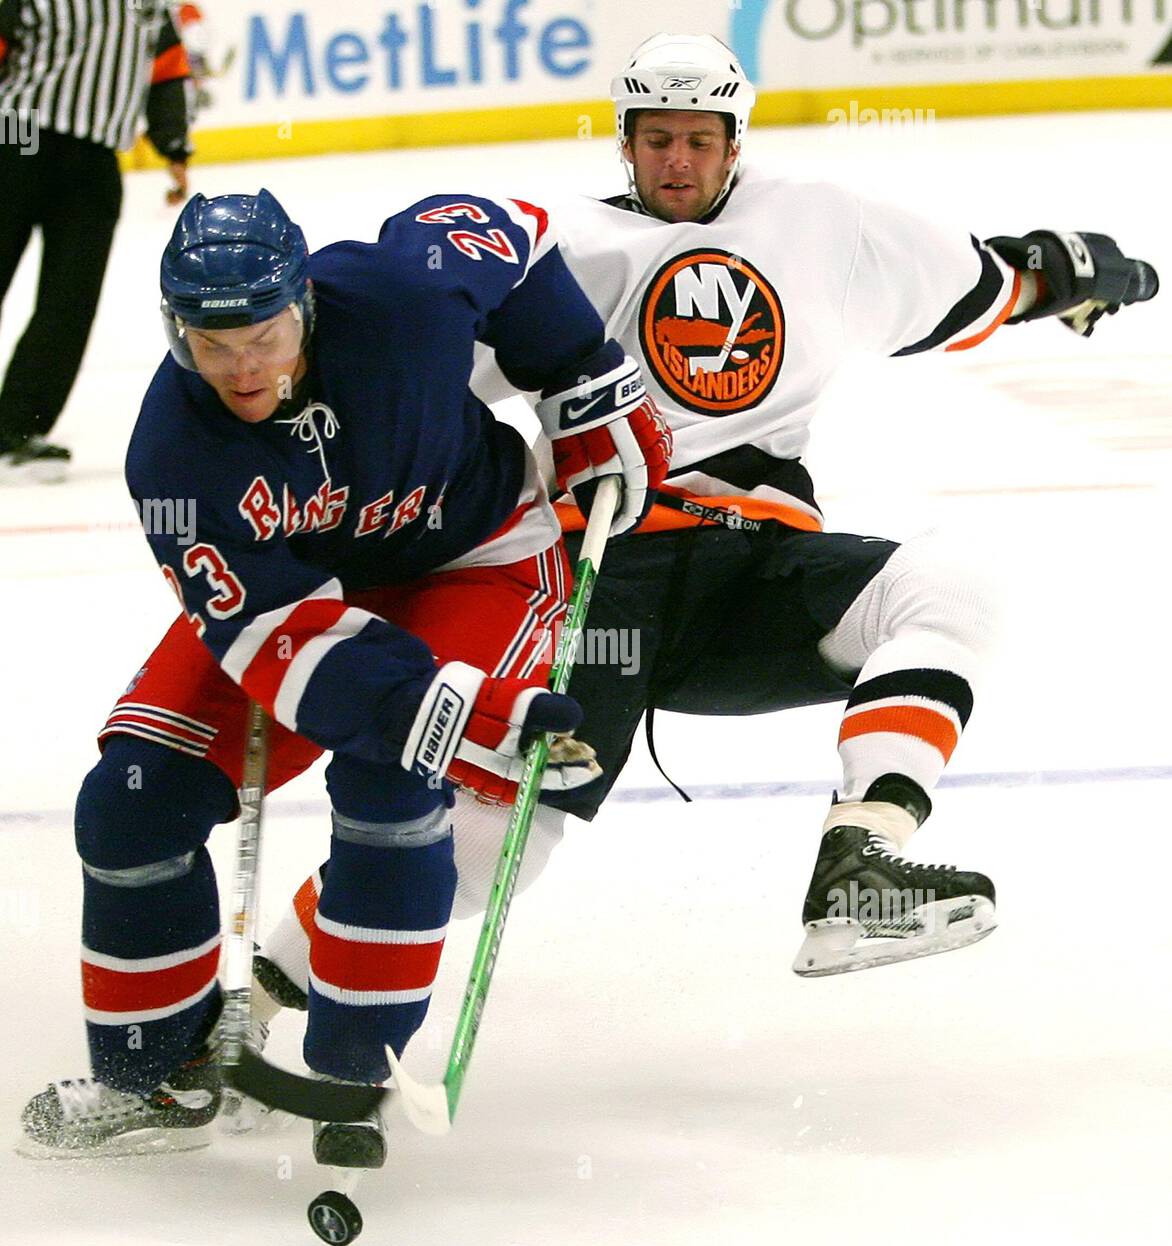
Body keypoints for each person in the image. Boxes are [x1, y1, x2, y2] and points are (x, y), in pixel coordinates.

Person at [251, 32, 1157, 1034]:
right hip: (598, 579)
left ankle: (857, 860)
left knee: (949, 588)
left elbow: (969, 284)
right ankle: (243, 1009)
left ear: (734, 140)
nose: (675, 161)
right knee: (478, 855)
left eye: (696, 139)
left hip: (758, 574)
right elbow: (417, 375)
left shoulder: (816, 221)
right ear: (623, 143)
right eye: (654, 141)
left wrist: (1063, 274)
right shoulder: (560, 252)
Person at [17, 187, 670, 1162]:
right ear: (173, 332)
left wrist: (581, 377)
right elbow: (291, 646)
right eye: (210, 342)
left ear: (305, 305)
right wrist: (464, 707)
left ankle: (346, 1064)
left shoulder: (400, 295)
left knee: (385, 777)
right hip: (307, 605)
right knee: (131, 798)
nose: (241, 367)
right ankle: (155, 1076)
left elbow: (509, 231)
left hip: (475, 556)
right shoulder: (175, 454)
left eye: (264, 335)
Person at [0, 0, 192, 481]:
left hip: (94, 158)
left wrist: (173, 145)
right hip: (15, 140)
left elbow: (165, 66)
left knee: (70, 300)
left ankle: (16, 429)